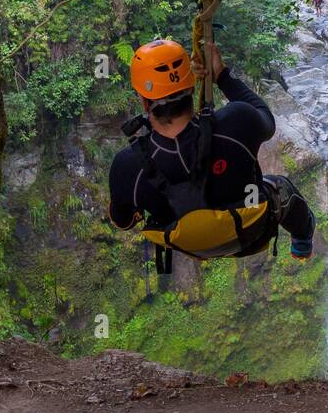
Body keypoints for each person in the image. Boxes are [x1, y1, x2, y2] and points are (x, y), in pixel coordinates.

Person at [108, 38, 315, 263]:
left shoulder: (127, 166)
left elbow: (123, 221)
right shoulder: (237, 122)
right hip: (251, 232)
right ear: (191, 86)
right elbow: (265, 117)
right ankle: (302, 243)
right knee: (281, 186)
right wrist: (222, 76)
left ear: (144, 102)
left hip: (190, 247)